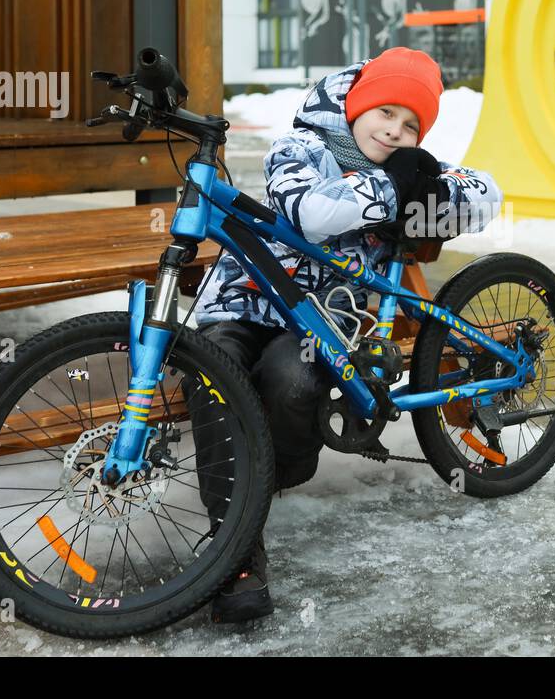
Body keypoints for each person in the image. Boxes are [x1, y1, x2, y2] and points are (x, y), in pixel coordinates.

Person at [188, 47, 502, 624]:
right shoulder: (301, 148)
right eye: (386, 112)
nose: (396, 130)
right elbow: (308, 211)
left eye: (412, 125)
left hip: (319, 325)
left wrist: (435, 192)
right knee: (213, 372)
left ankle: (259, 484)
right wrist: (391, 187)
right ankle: (236, 549)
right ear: (357, 105)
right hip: (241, 304)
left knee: (292, 382)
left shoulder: (410, 164)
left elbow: (488, 195)